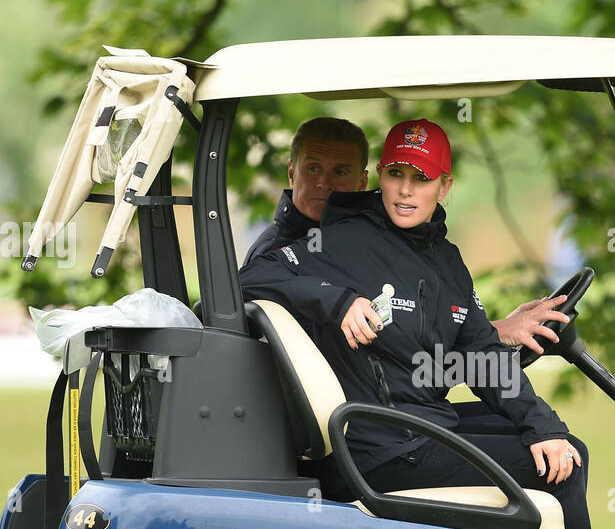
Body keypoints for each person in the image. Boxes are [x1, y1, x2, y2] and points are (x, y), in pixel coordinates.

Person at [240, 118, 615, 529]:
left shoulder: (444, 260)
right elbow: (248, 280)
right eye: (396, 174)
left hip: (417, 425)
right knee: (555, 467)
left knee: (562, 448)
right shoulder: (340, 238)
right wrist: (337, 299)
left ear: (443, 186)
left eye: (419, 178)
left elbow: (478, 358)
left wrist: (540, 424)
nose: (404, 189)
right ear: (381, 177)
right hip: (380, 444)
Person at [238, 116, 571, 435]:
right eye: (313, 169)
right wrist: (490, 336)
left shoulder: (369, 240)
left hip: (393, 411)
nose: (324, 182)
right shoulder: (289, 251)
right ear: (292, 173)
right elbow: (383, 361)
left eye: (340, 171)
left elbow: (402, 347)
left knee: (533, 431)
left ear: (361, 182)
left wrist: (483, 334)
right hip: (347, 427)